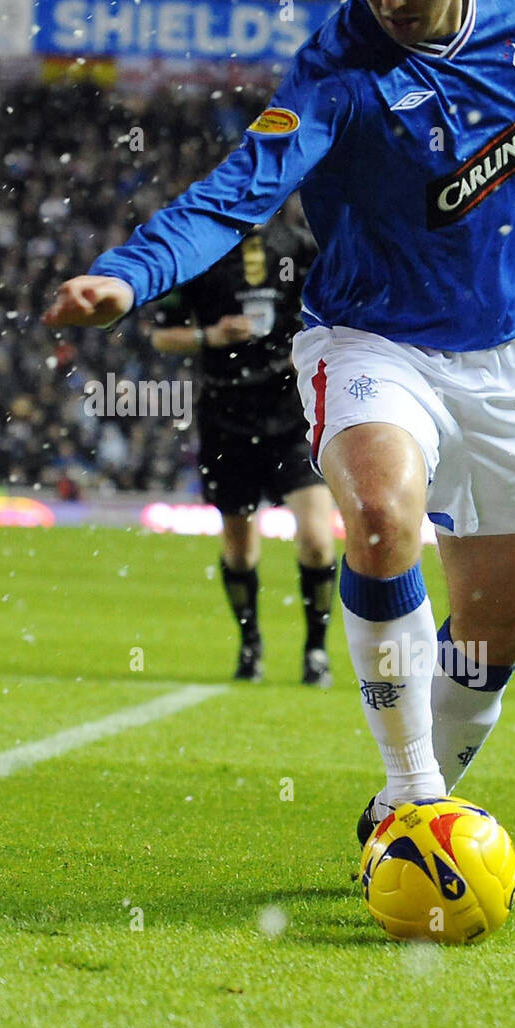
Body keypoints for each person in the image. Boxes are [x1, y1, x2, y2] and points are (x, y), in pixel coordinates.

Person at [45, 0, 515, 843]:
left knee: (500, 631)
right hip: (366, 338)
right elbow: (236, 192)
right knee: (375, 511)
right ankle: (412, 796)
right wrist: (130, 272)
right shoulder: (333, 72)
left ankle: (416, 787)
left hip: (502, 350)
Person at [144, 205, 338, 685]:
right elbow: (160, 336)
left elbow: (334, 313)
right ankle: (250, 646)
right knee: (239, 548)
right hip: (226, 414)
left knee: (316, 540)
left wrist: (310, 350)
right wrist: (209, 335)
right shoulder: (200, 254)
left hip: (291, 414)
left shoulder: (297, 246)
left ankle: (316, 650)